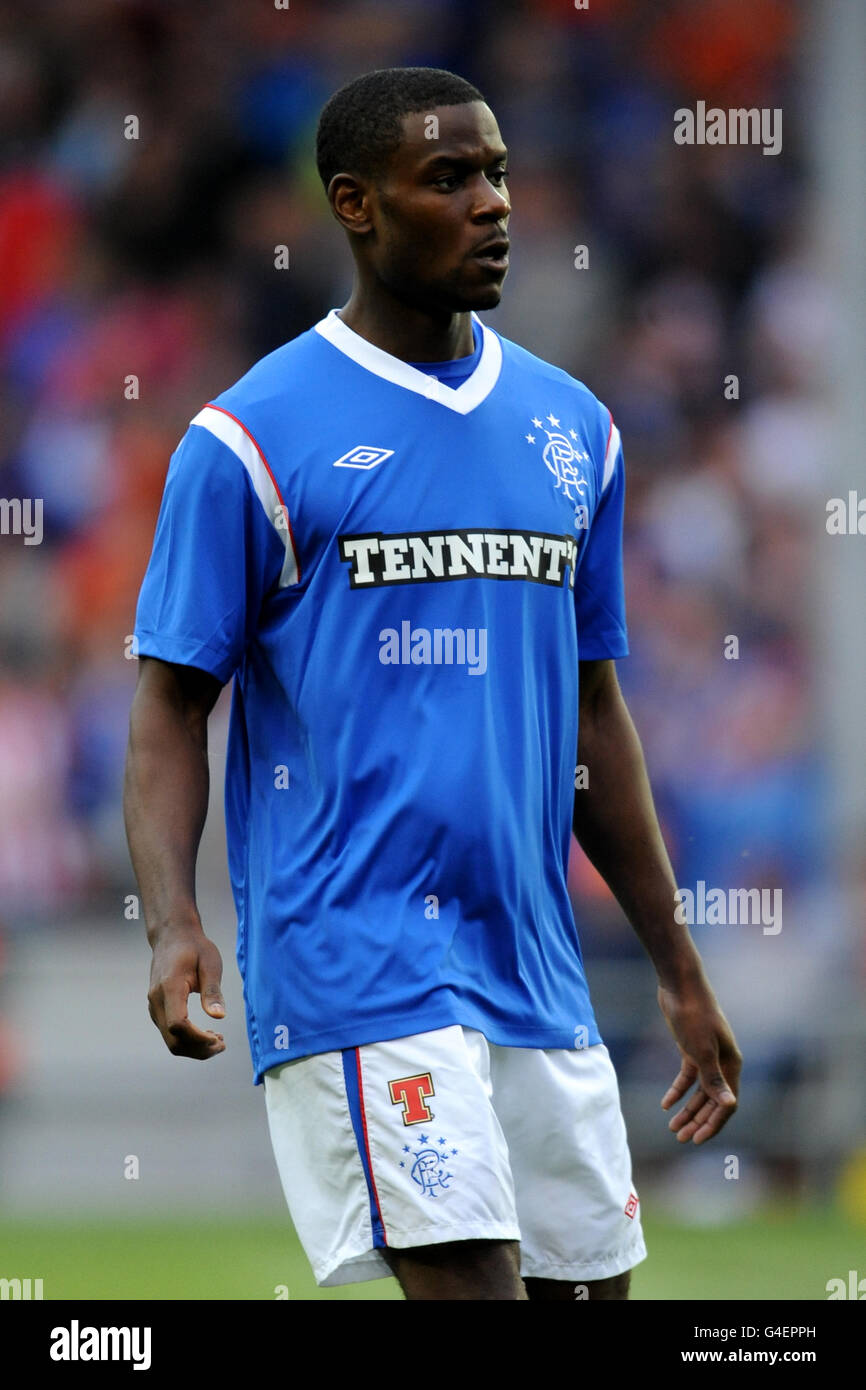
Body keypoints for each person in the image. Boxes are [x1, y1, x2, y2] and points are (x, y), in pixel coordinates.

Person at [124, 66, 741, 1302]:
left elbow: (591, 711)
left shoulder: (574, 430)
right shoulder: (248, 440)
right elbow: (169, 704)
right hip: (356, 961)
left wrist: (674, 960)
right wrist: (176, 921)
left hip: (535, 965)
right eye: (449, 179)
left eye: (498, 173)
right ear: (355, 204)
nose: (493, 204)